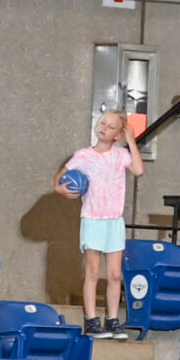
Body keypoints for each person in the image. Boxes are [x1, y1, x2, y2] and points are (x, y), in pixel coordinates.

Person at [56, 110, 144, 336]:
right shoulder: (83, 155)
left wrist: (132, 140)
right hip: (93, 219)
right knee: (93, 272)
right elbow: (60, 176)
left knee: (114, 274)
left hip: (114, 221)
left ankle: (112, 319)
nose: (104, 127)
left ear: (118, 134)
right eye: (103, 122)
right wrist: (59, 188)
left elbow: (138, 169)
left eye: (111, 126)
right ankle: (92, 320)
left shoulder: (121, 154)